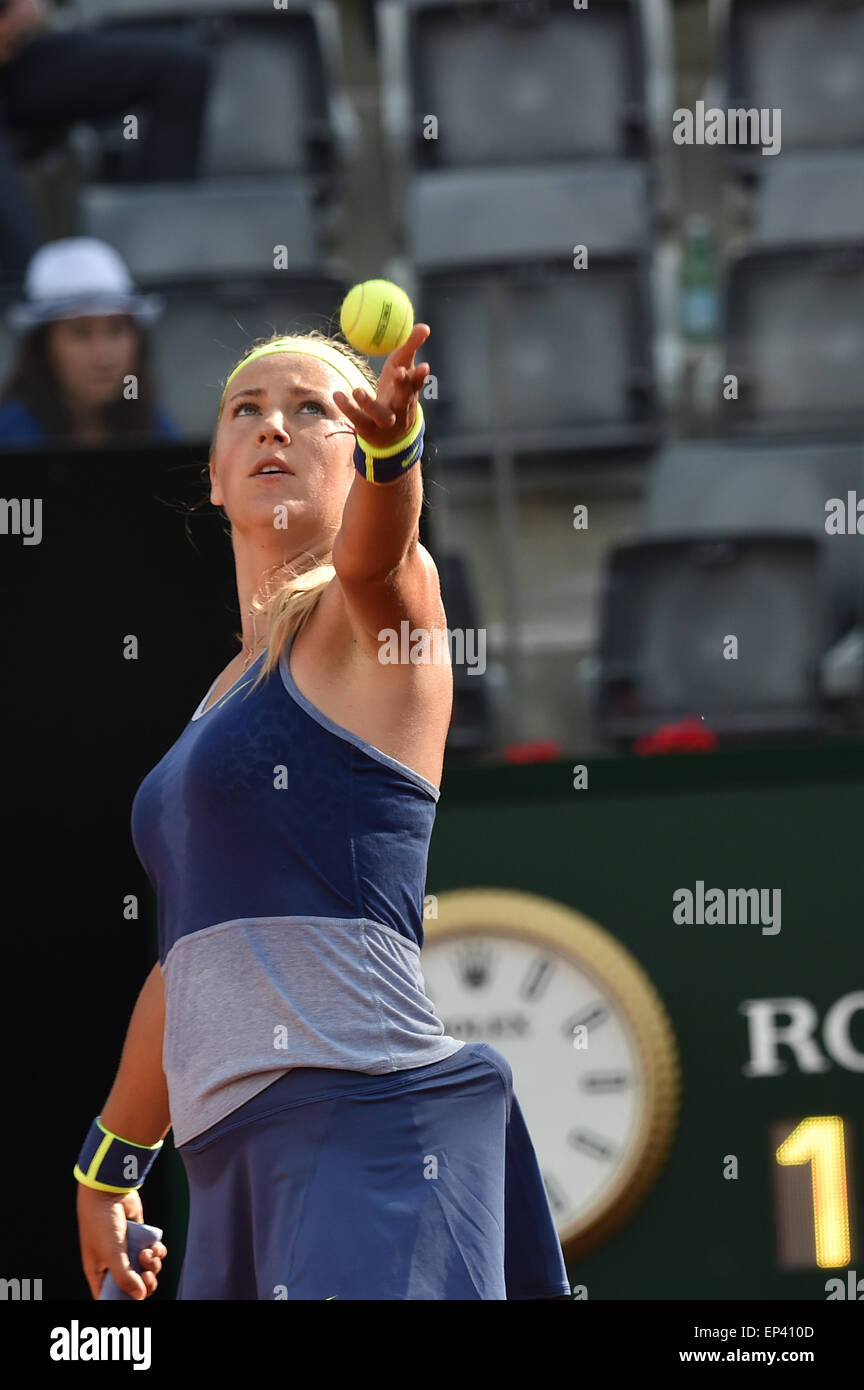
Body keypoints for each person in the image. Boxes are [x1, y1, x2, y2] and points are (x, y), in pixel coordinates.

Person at [72, 324, 571, 1300]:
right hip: (233, 1168)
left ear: (359, 452)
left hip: (367, 1129)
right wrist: (113, 1159)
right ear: (213, 473)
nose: (274, 427)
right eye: (246, 412)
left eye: (313, 411)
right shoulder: (217, 699)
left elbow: (376, 561)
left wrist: (397, 457)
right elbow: (193, 964)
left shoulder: (380, 614)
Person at [0, 0, 211, 286]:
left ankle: (154, 266)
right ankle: (35, 297)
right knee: (30, 277)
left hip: (16, 66)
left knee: (181, 65)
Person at [0, 237, 177, 445]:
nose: (103, 354)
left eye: (116, 330)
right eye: (81, 333)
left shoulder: (156, 429)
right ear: (44, 347)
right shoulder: (11, 437)